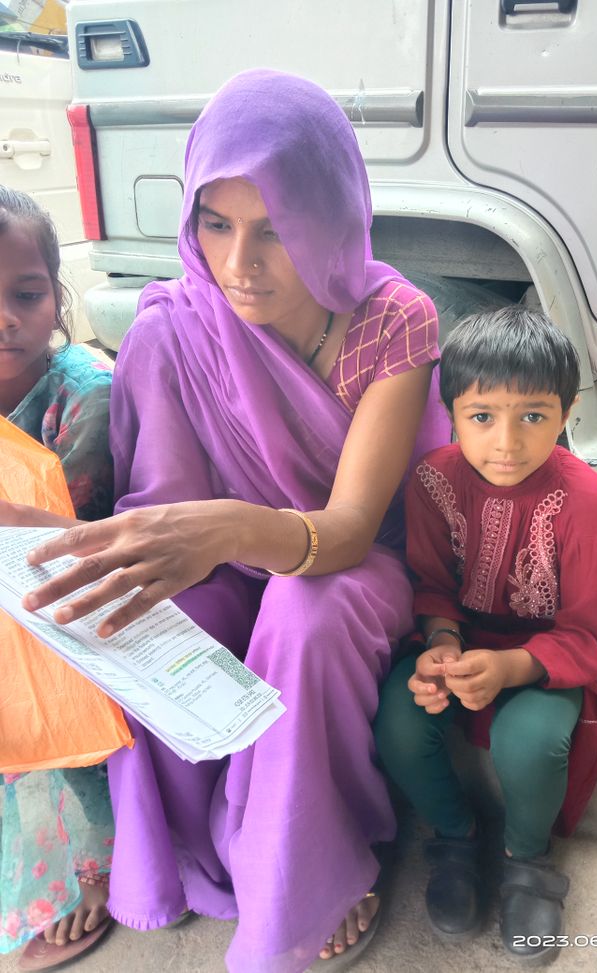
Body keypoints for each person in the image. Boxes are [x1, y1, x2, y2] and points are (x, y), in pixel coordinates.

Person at [19, 71, 450, 973]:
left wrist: (227, 528)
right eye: (215, 224)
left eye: (274, 230)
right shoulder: (175, 326)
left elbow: (349, 525)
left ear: (331, 217)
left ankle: (319, 869)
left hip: (352, 567)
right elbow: (161, 516)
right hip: (225, 561)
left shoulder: (393, 322)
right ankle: (203, 845)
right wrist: (48, 535)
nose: (239, 263)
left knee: (304, 610)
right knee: (140, 609)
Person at [374, 307, 597, 965]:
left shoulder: (585, 500)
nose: (507, 442)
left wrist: (512, 667)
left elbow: (588, 634)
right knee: (400, 717)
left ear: (567, 413)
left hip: (550, 658)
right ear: (450, 413)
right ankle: (454, 837)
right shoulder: (432, 479)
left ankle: (527, 859)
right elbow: (431, 583)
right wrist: (443, 645)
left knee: (530, 740)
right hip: (461, 643)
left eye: (533, 415)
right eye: (482, 416)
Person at [0, 186, 115, 968]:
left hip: (66, 599)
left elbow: (91, 540)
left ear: (57, 297)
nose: (6, 318)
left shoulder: (85, 397)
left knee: (57, 693)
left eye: (26, 294)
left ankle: (93, 858)